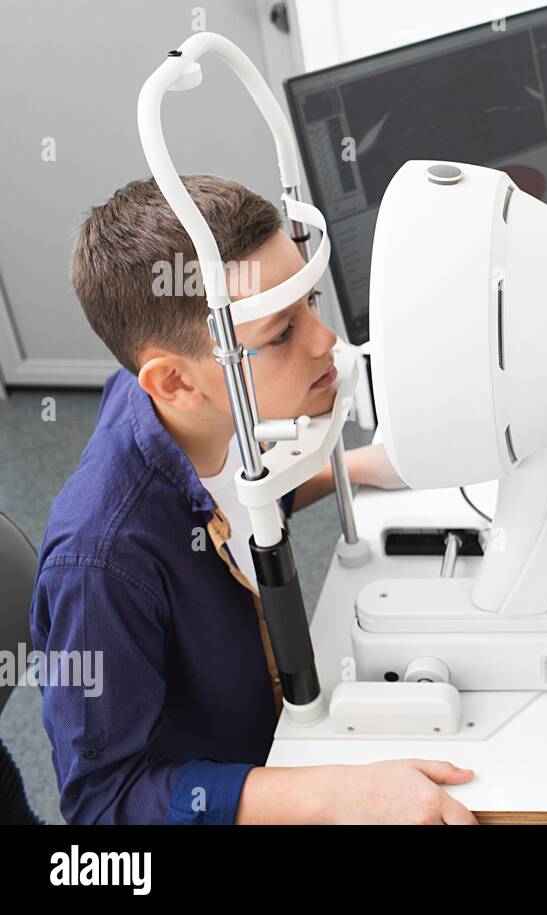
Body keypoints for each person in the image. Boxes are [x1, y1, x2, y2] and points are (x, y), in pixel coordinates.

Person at [31, 175, 475, 824]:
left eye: (311, 300)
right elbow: (105, 806)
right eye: (280, 333)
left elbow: (239, 504)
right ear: (176, 381)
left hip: (284, 727)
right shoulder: (100, 566)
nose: (324, 340)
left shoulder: (200, 405)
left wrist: (364, 467)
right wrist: (336, 794)